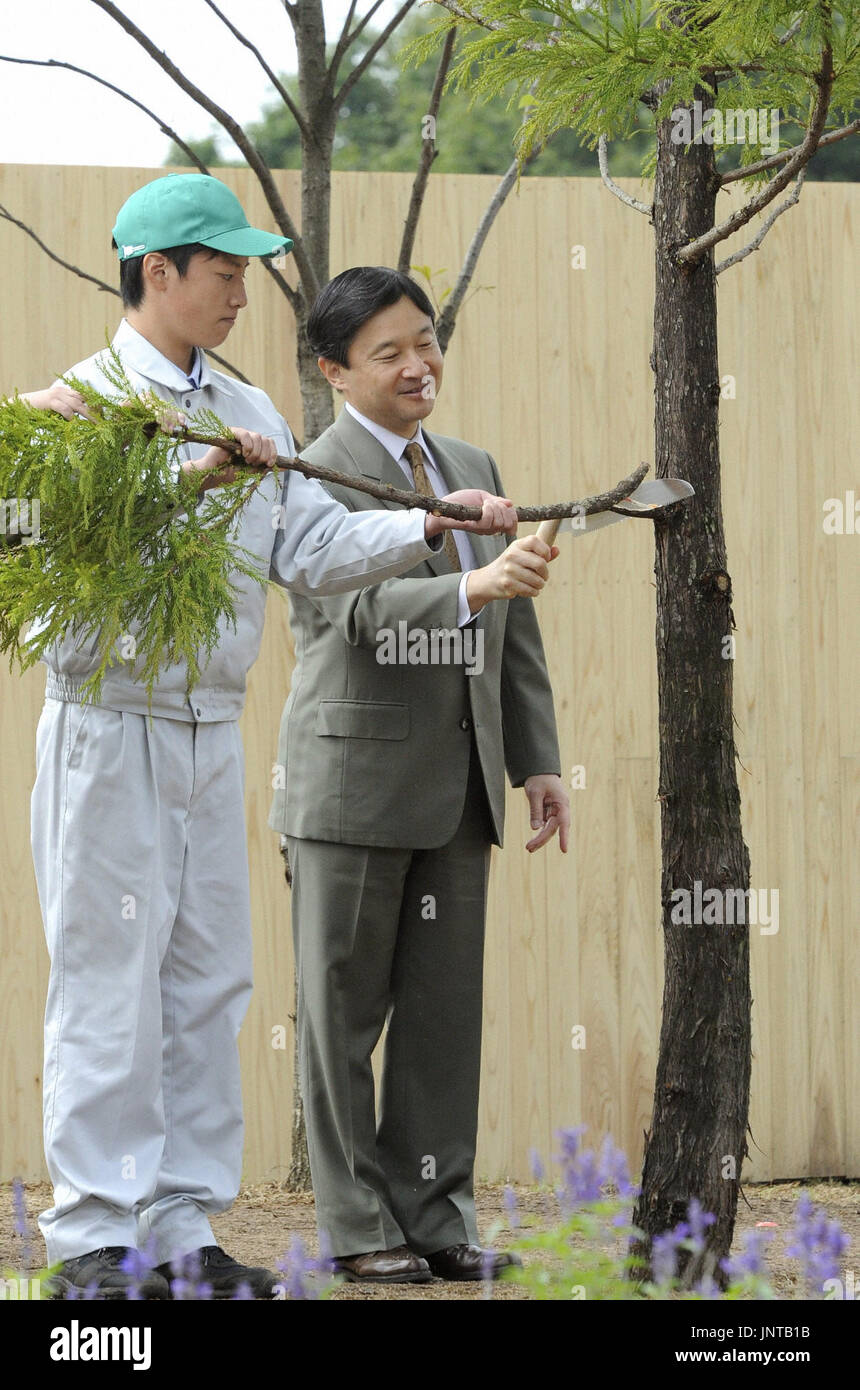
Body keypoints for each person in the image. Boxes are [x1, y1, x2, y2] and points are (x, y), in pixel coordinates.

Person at [20, 175, 519, 1301]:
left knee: (208, 983)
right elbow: (38, 566)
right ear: (160, 272)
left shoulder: (253, 411)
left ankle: (181, 1226)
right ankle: (93, 1240)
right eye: (224, 268)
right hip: (107, 725)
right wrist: (190, 481)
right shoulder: (69, 407)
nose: (244, 288)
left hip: (210, 729)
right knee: (109, 980)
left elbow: (312, 549)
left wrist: (431, 522)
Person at [269, 266, 570, 1283]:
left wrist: (537, 761)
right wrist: (474, 582)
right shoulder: (312, 473)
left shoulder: (472, 460)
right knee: (341, 1017)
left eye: (425, 340)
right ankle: (357, 1228)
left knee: (442, 1023)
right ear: (334, 370)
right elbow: (348, 619)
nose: (417, 364)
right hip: (350, 789)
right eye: (388, 350)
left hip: (463, 788)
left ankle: (435, 1217)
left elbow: (510, 622)